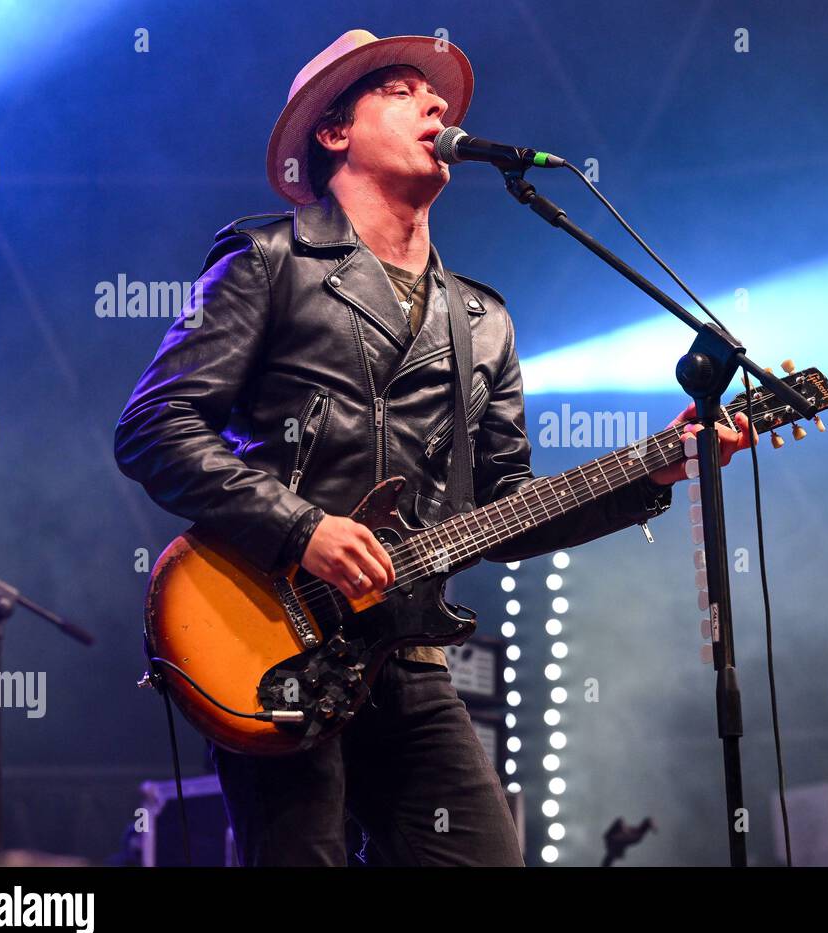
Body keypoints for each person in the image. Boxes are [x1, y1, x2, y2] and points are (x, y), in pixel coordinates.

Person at [114, 29, 753, 866]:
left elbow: (508, 512)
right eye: (400, 90)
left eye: (435, 93)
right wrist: (303, 528)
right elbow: (154, 426)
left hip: (406, 653)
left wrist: (654, 470)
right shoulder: (267, 260)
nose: (437, 104)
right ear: (334, 132)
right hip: (271, 638)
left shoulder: (484, 321)